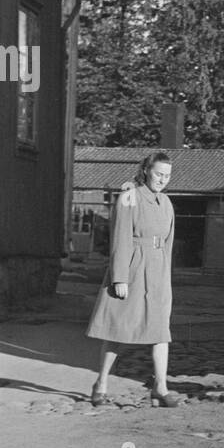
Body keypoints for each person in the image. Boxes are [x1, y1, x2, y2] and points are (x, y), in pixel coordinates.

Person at [87, 150, 180, 408]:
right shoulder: (129, 197)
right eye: (159, 174)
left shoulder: (167, 203)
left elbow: (168, 243)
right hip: (134, 268)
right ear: (146, 171)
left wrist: (166, 277)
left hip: (158, 270)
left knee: (161, 330)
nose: (163, 179)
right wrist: (120, 278)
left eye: (167, 176)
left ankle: (160, 387)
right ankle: (101, 384)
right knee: (118, 327)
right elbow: (121, 238)